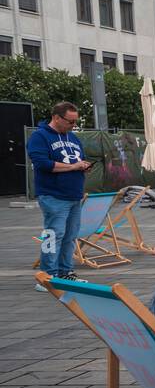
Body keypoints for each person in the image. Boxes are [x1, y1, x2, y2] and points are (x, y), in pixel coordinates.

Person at [29, 102, 91, 290]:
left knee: (70, 236)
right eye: (70, 121)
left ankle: (65, 273)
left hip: (74, 195)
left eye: (75, 121)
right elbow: (42, 163)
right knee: (53, 235)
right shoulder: (39, 136)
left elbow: (77, 159)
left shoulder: (72, 137)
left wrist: (83, 166)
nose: (73, 125)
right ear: (56, 117)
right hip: (53, 195)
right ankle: (47, 277)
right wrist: (73, 167)